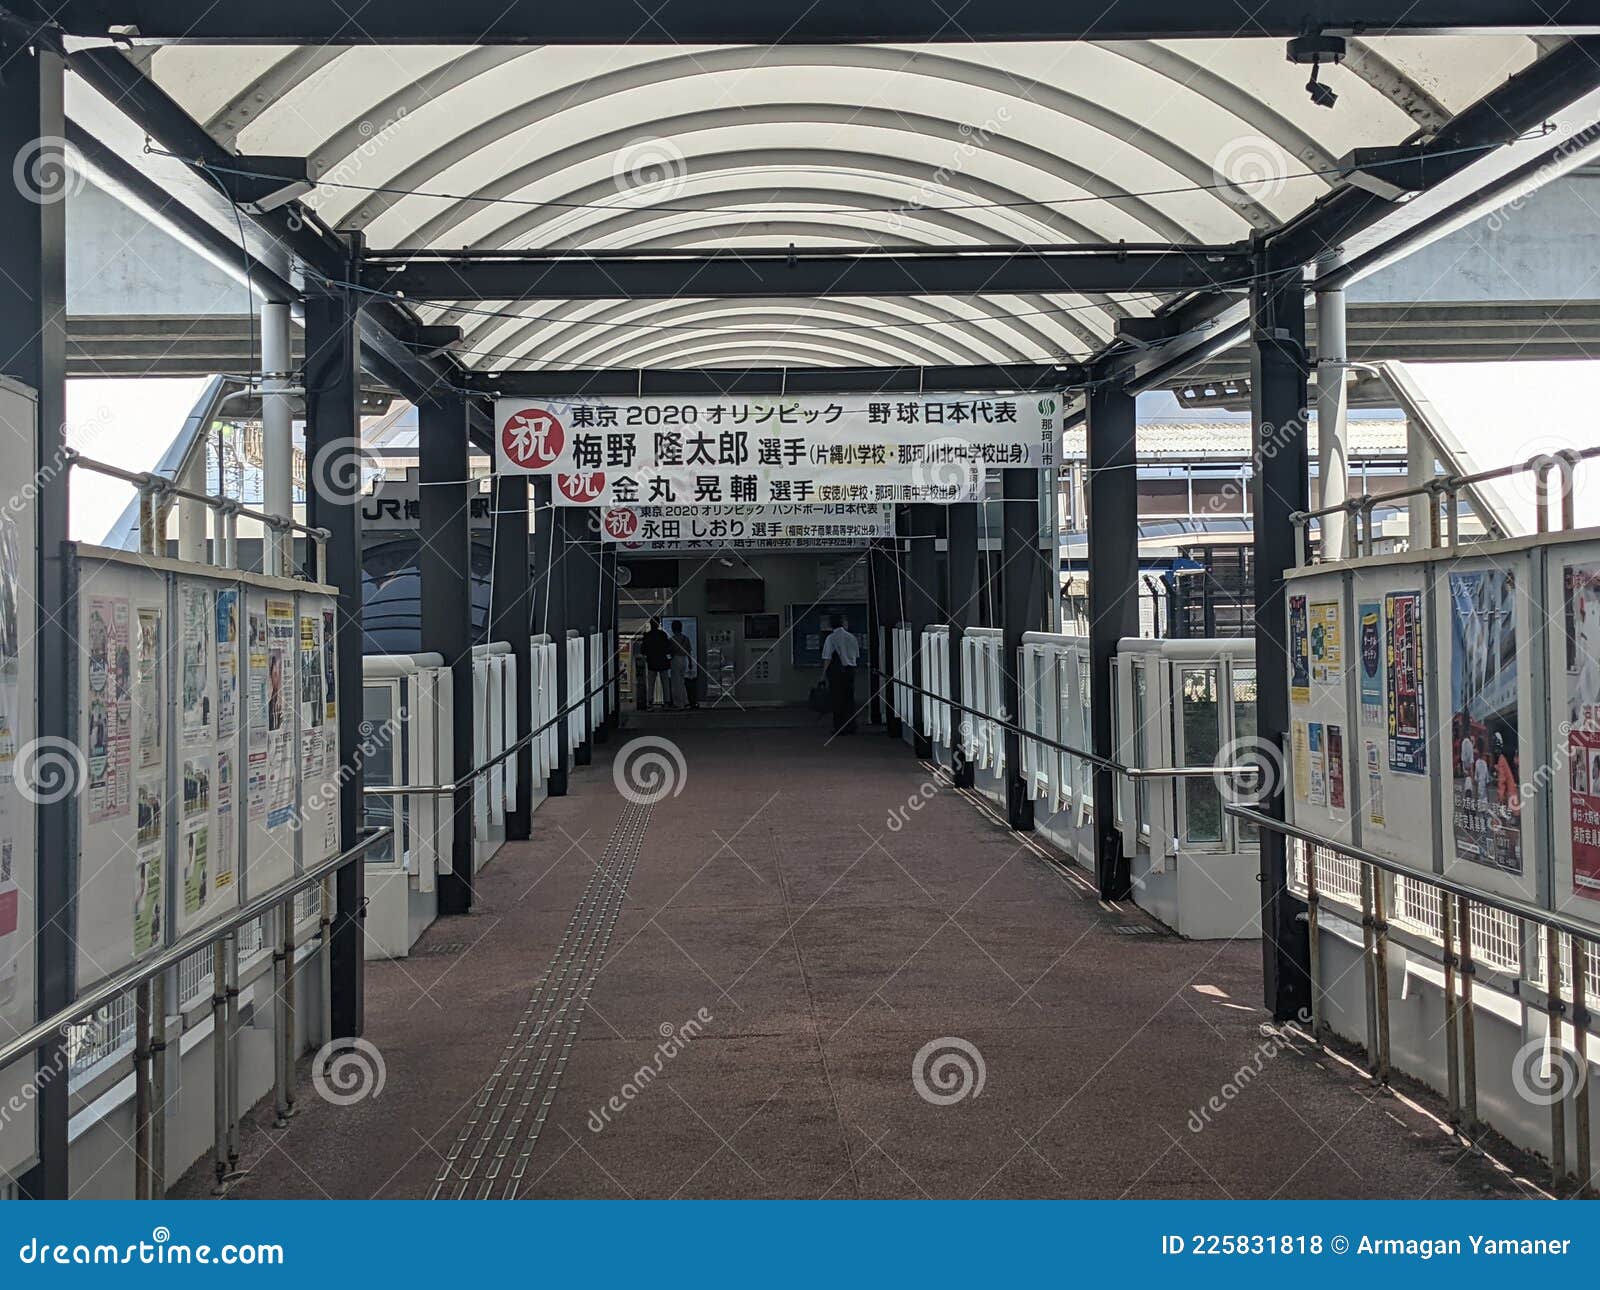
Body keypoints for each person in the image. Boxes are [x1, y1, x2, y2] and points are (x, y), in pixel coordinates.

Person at [821, 614, 860, 734]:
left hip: (836, 672)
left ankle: (839, 726)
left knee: (837, 699)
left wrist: (823, 675)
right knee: (849, 699)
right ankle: (851, 725)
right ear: (843, 623)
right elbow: (856, 655)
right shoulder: (851, 637)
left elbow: (827, 657)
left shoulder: (831, 638)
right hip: (850, 670)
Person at [640, 618, 672, 710]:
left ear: (650, 624)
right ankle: (667, 702)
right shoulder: (663, 635)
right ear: (658, 624)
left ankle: (649, 703)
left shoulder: (647, 636)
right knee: (665, 683)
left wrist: (647, 657)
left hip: (651, 662)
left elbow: (643, 650)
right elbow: (667, 648)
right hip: (663, 661)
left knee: (651, 684)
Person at [669, 620, 692, 710]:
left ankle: (678, 703)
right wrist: (690, 663)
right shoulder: (686, 639)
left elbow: (670, 652)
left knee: (676, 683)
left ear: (673, 628)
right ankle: (686, 702)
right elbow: (689, 652)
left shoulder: (672, 639)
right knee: (682, 682)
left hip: (675, 660)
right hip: (684, 660)